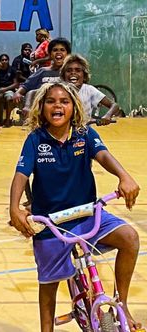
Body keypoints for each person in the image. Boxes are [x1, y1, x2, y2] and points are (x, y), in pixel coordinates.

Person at [8, 81, 141, 332]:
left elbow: (104, 156)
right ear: (42, 107)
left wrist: (124, 176)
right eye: (51, 101)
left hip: (88, 214)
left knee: (130, 238)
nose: (57, 105)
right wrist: (15, 208)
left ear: (74, 107)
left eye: (64, 101)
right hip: (50, 223)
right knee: (48, 285)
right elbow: (21, 174)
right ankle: (46, 328)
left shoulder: (85, 134)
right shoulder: (35, 140)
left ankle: (121, 304)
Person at [13, 38, 71, 119]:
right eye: (55, 50)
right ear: (50, 54)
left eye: (62, 50)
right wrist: (18, 93)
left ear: (67, 54)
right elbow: (27, 86)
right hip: (43, 112)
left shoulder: (70, 72)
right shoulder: (43, 71)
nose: (58, 52)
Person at [60, 54, 120, 122]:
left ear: (84, 75)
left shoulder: (89, 90)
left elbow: (114, 105)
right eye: (69, 70)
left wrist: (107, 115)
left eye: (78, 70)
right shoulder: (59, 91)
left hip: (85, 130)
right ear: (63, 75)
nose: (73, 73)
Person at [0, 54, 19, 129]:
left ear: (8, 61)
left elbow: (16, 84)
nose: (4, 61)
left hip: (8, 89)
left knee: (9, 98)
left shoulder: (12, 70)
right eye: (2, 60)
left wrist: (5, 89)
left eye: (5, 60)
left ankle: (7, 120)